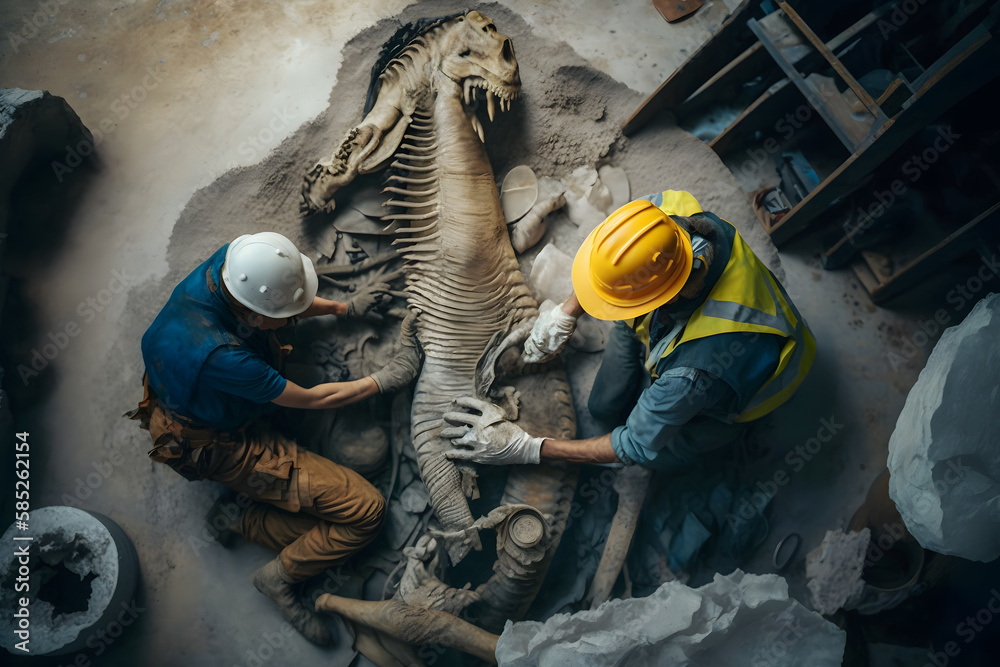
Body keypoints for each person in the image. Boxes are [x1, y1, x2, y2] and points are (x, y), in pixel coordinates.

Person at [128, 231, 421, 646]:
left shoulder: (235, 265)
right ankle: (274, 571)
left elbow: (278, 306)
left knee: (284, 350)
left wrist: (345, 306)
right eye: (280, 314)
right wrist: (385, 379)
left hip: (191, 385)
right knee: (368, 512)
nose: (291, 315)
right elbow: (310, 399)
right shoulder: (225, 358)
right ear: (254, 318)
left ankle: (244, 513)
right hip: (214, 443)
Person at [444, 190, 815, 472]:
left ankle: (701, 449)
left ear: (657, 299)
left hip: (740, 388)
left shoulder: (694, 374)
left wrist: (530, 448)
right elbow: (614, 267)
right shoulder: (664, 217)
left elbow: (635, 445)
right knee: (602, 406)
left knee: (659, 454)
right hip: (671, 331)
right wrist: (566, 313)